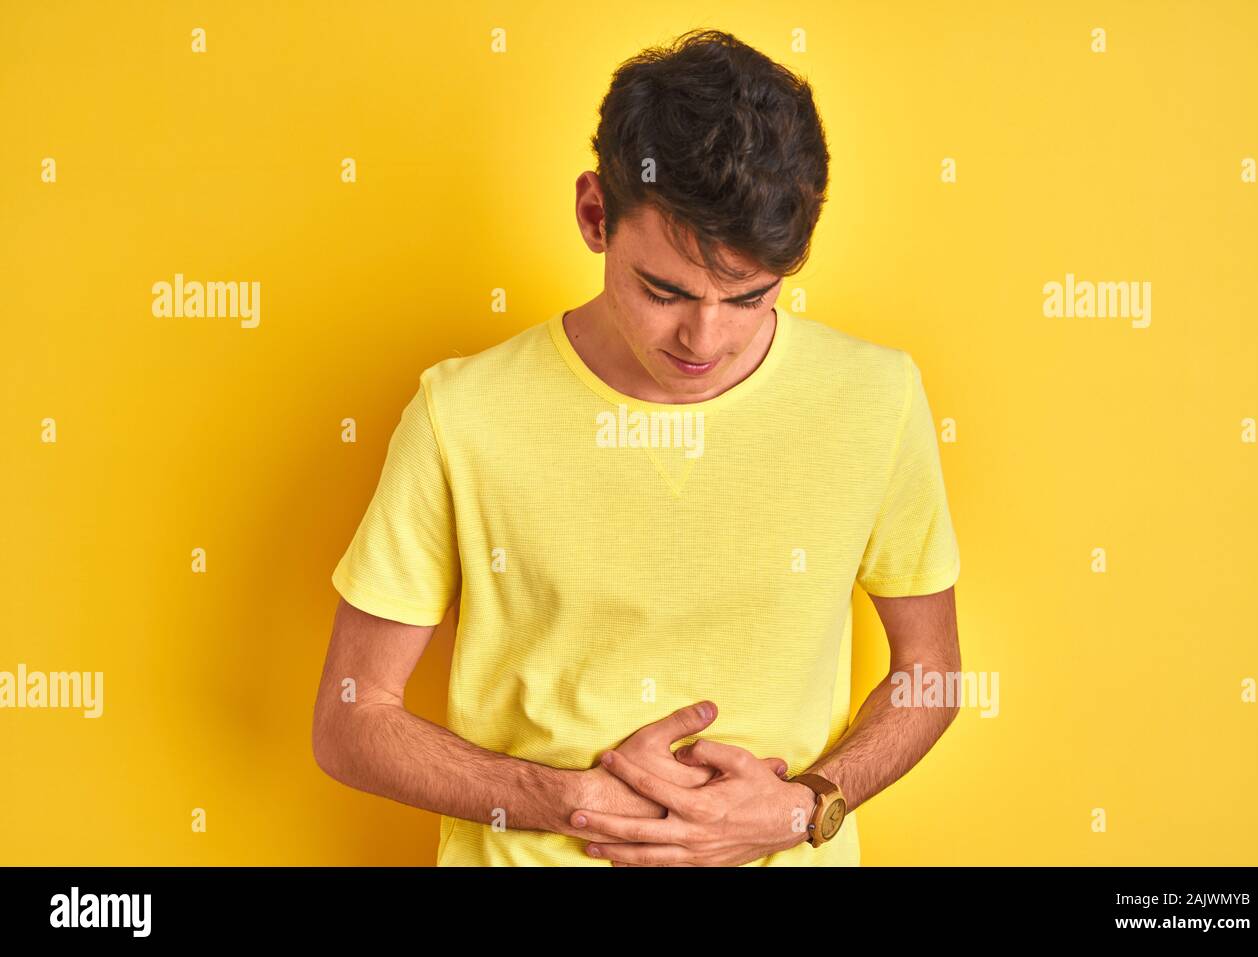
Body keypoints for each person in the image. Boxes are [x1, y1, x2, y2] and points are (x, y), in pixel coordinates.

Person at [312, 28, 961, 867]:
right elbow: (350, 718)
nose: (706, 336)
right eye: (665, 290)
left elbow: (933, 672)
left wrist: (809, 805)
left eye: (750, 298)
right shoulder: (461, 412)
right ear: (595, 214)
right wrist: (561, 798)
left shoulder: (878, 397)